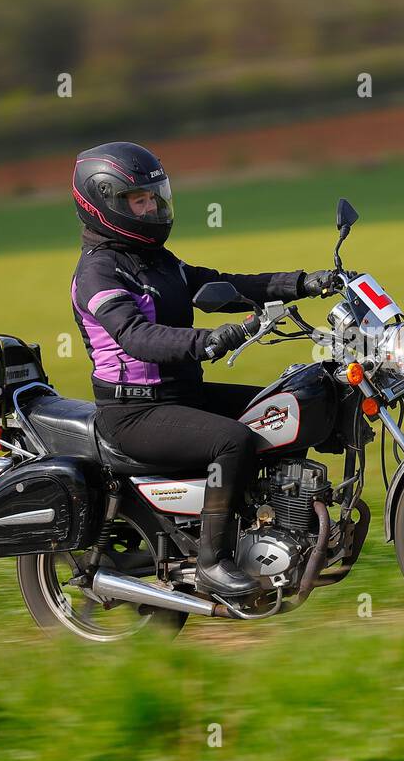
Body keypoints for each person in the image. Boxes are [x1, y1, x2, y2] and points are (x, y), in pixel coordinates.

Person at [69, 142, 339, 597]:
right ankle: (213, 562)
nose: (152, 207)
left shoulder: (157, 261)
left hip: (181, 395)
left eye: (155, 197)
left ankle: (287, 527)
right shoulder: (99, 274)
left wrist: (303, 283)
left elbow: (226, 285)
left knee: (290, 403)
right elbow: (137, 337)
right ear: (105, 203)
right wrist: (208, 341)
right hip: (134, 413)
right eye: (140, 201)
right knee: (231, 440)